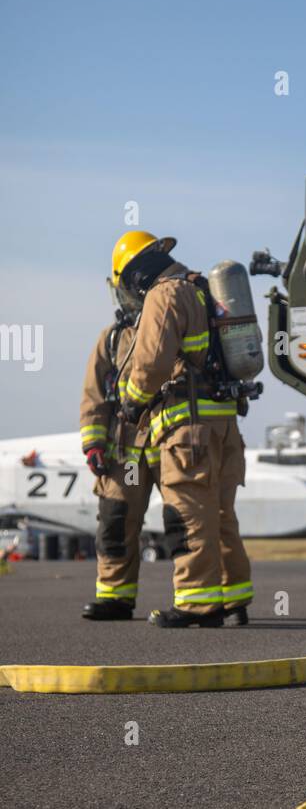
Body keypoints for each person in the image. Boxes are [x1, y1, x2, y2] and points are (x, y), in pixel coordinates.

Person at [113, 230, 253, 628]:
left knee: (187, 514)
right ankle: (234, 598)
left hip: (186, 431)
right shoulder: (204, 288)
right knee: (221, 513)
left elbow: (152, 361)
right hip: (224, 427)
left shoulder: (165, 295)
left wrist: (132, 402)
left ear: (136, 276)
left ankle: (197, 604)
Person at [79, 247, 162, 620]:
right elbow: (94, 397)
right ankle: (115, 597)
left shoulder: (168, 325)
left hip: (167, 439)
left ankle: (200, 598)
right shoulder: (111, 339)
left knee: (187, 519)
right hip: (124, 449)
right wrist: (94, 443)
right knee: (115, 519)